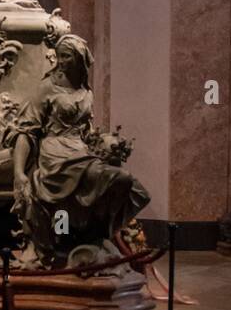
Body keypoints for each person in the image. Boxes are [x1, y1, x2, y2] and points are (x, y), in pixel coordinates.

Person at [12, 33, 149, 265]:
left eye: (67, 56)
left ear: (80, 59)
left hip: (81, 150)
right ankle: (66, 239)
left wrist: (108, 145)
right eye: (59, 56)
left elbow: (87, 132)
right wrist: (19, 173)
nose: (61, 61)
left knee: (124, 181)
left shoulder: (86, 92)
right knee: (84, 186)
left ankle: (94, 234)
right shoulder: (46, 88)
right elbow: (25, 131)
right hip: (55, 152)